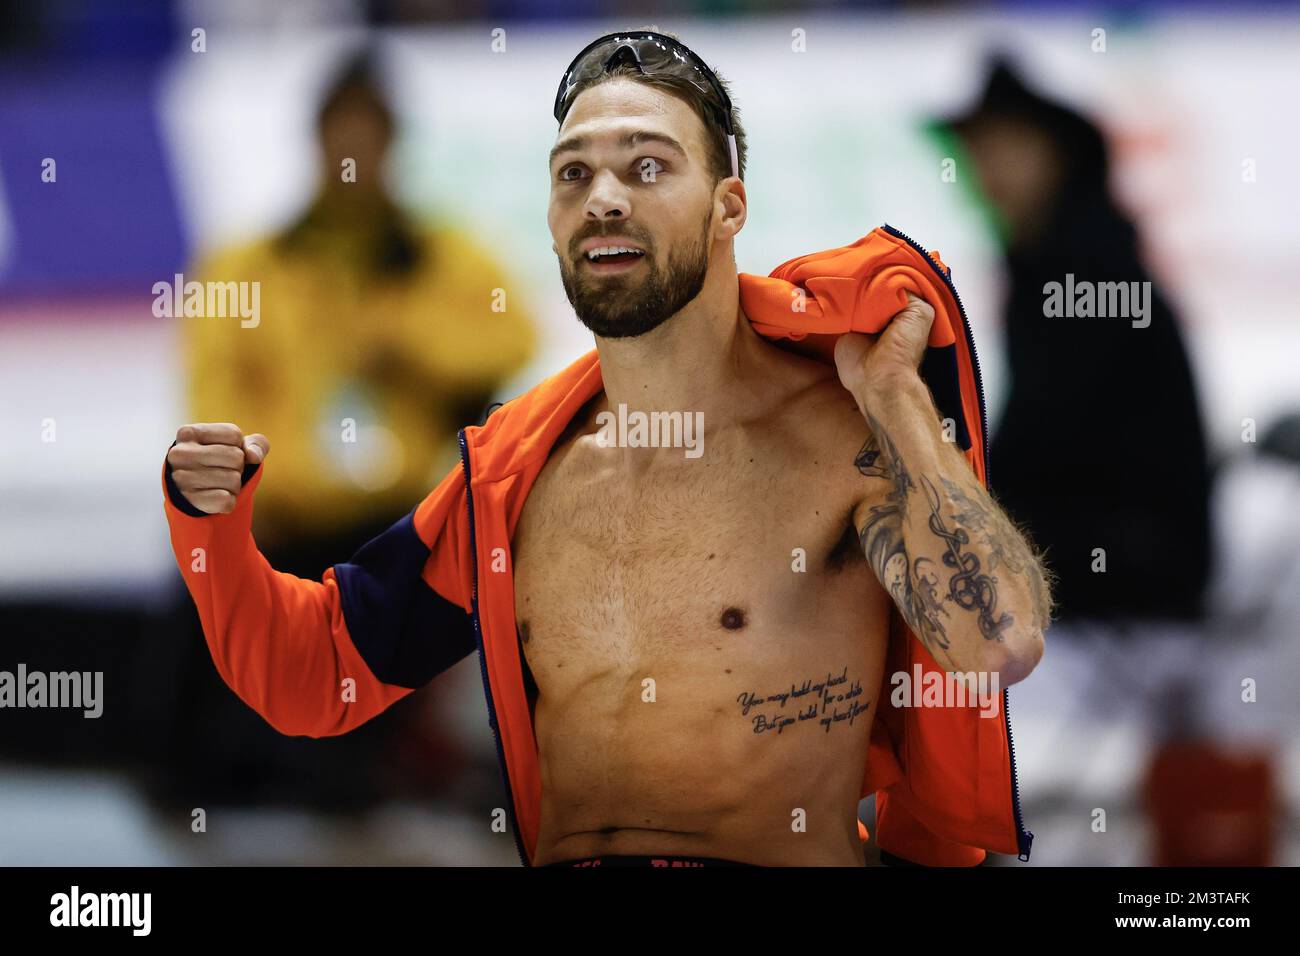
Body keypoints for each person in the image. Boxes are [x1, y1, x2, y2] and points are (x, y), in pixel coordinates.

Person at [160, 29, 1051, 867]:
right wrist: (212, 531)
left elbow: (998, 641)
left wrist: (899, 406)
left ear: (727, 206)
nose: (604, 197)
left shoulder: (839, 441)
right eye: (573, 172)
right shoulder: (516, 476)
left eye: (648, 166)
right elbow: (317, 675)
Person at [936, 57, 1213, 623]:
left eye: (1004, 149)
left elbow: (1048, 430)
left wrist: (951, 497)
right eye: (976, 152)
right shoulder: (1052, 259)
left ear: (1055, 154)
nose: (984, 169)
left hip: (1139, 553)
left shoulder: (1085, 270)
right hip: (1110, 534)